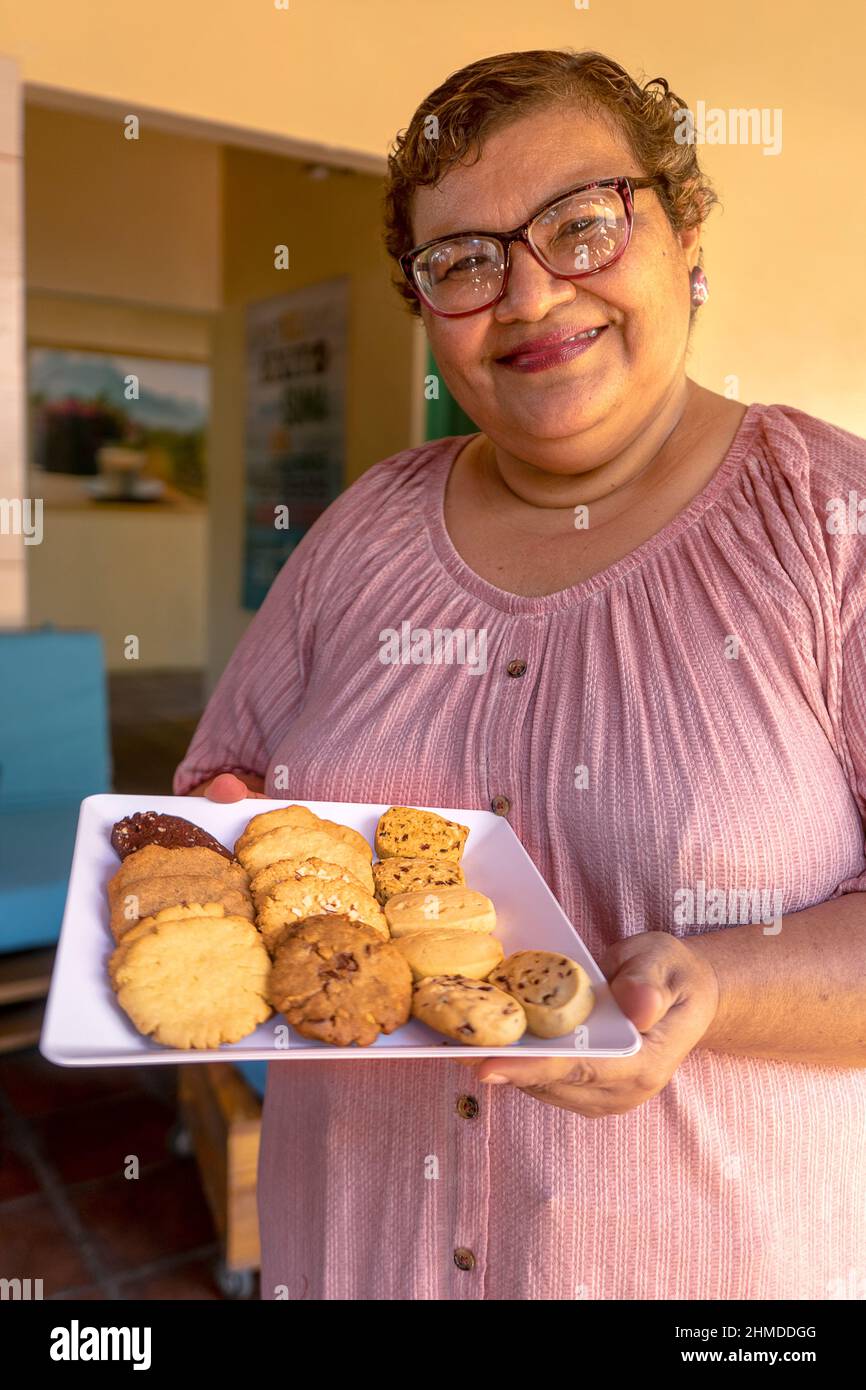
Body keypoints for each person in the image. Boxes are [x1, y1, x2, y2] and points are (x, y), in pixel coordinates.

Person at [175, 49, 866, 1300]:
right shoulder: (356, 535)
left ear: (684, 226)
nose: (533, 293)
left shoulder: (832, 526)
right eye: (464, 261)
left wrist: (722, 985)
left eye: (582, 224)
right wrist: (221, 835)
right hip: (353, 1257)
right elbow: (228, 778)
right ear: (427, 306)